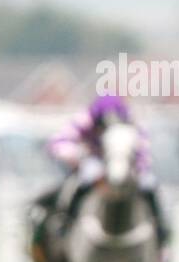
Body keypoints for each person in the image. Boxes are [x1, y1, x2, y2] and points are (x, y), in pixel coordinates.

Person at [34, 94, 168, 248]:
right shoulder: (84, 119)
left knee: (149, 183)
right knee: (85, 177)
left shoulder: (131, 122)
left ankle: (159, 227)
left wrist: (139, 167)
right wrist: (78, 156)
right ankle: (67, 222)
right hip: (93, 161)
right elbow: (58, 142)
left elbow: (143, 150)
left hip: (124, 165)